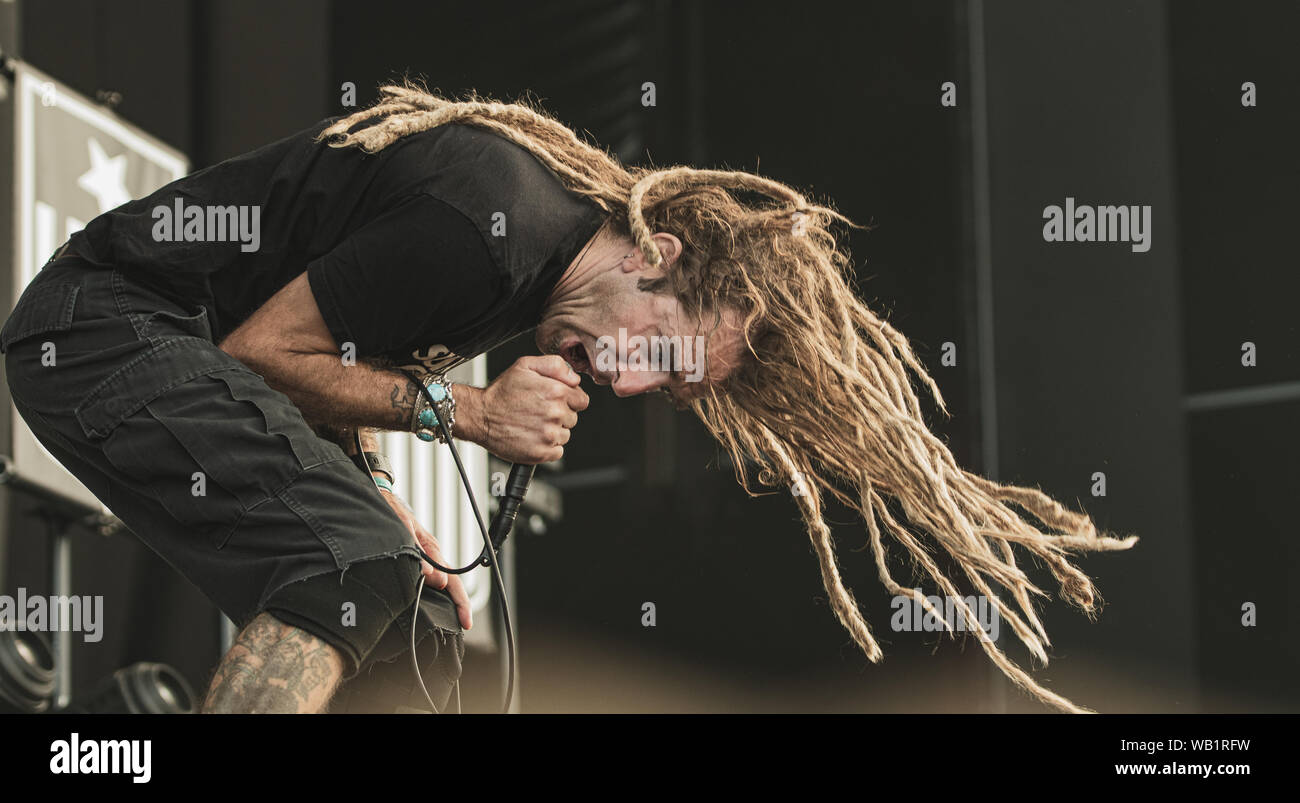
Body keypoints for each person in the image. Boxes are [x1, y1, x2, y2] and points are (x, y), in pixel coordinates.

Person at [1, 83, 1135, 713]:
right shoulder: (485, 220)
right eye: (659, 351)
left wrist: (372, 487)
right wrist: (470, 416)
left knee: (415, 610)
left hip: (166, 351)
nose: (626, 379)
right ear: (659, 248)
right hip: (100, 329)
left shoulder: (537, 267)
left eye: (665, 389)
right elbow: (259, 349)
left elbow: (326, 360)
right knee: (348, 561)